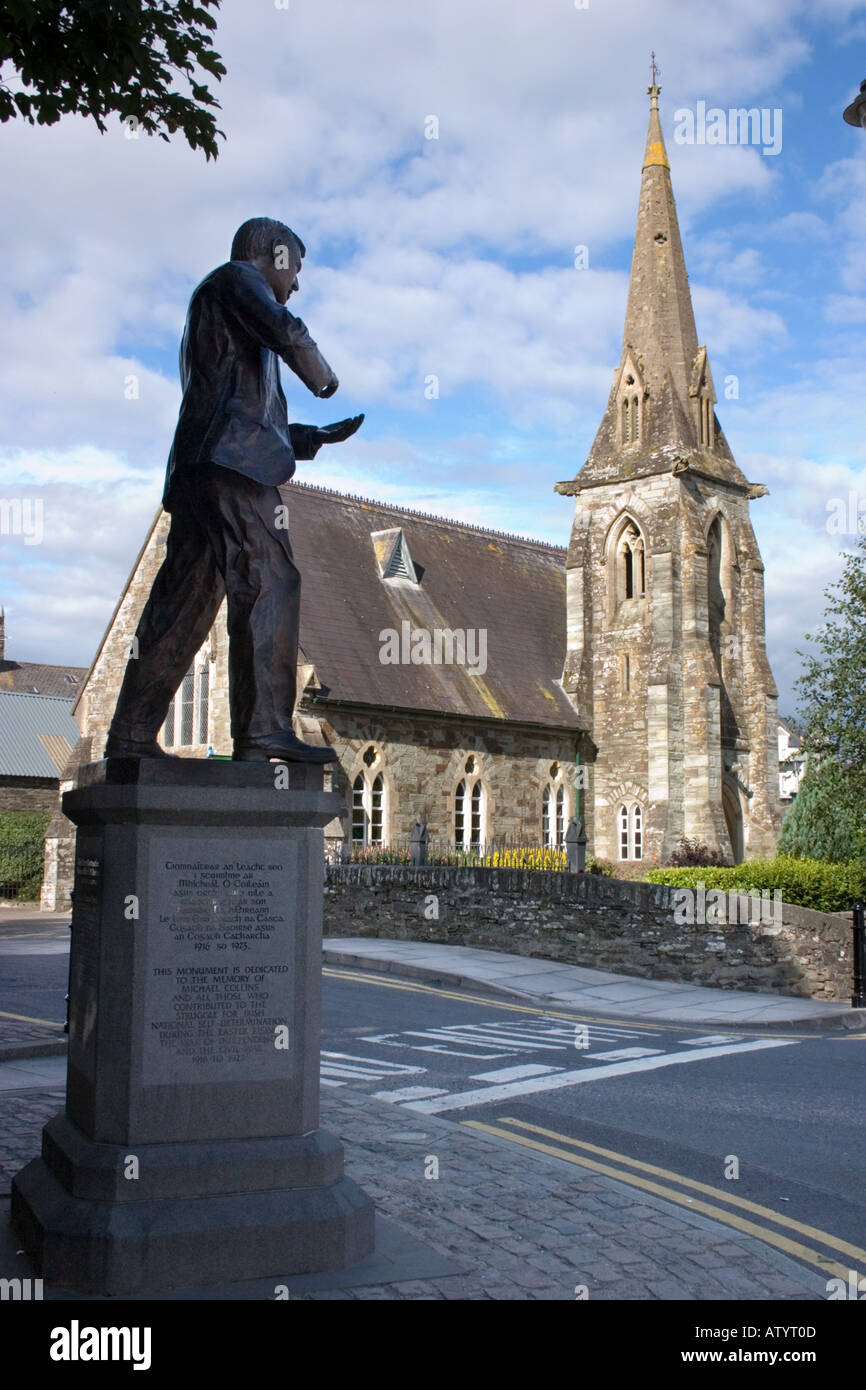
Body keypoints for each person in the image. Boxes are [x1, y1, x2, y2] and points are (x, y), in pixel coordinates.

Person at [105, 217, 363, 763]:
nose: (296, 284)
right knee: (270, 577)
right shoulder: (237, 280)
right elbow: (286, 328)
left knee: (185, 604)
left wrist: (307, 437)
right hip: (231, 470)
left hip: (207, 465)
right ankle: (263, 731)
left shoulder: (226, 311)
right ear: (275, 254)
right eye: (296, 268)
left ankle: (128, 738)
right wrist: (324, 378)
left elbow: (244, 415)